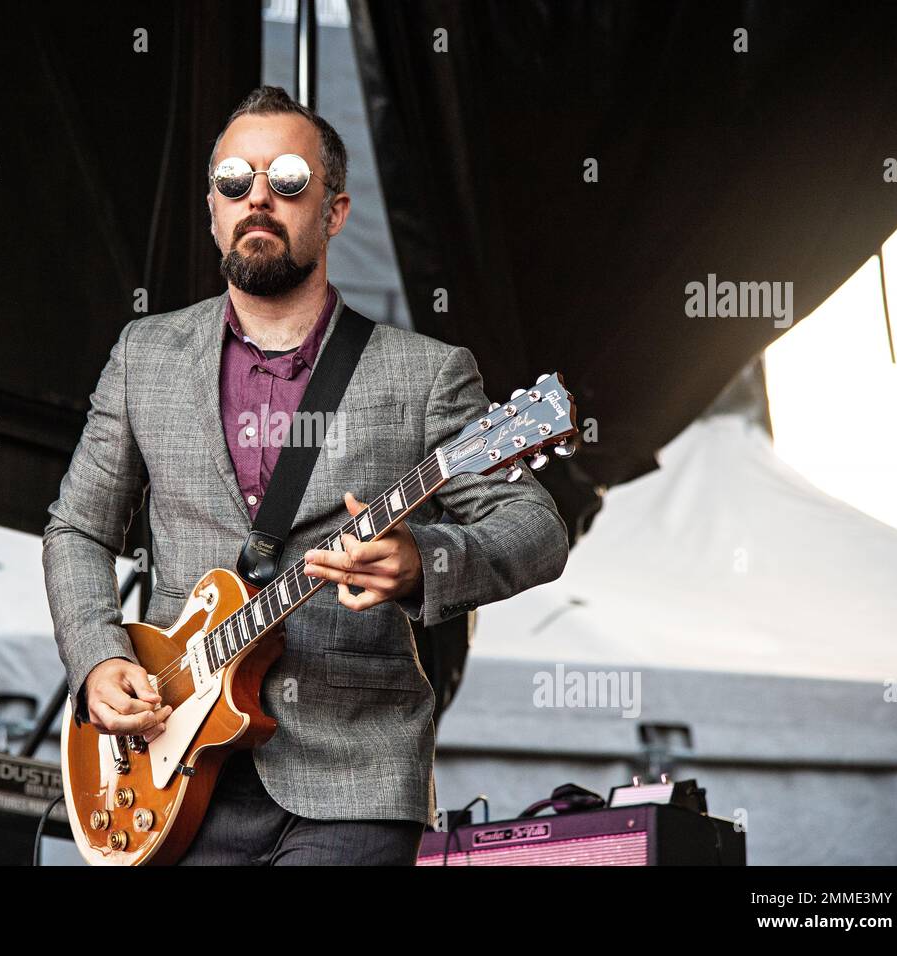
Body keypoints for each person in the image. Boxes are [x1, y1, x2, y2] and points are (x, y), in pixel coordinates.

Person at [42, 85, 569, 865]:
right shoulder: (144, 356)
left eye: (288, 180)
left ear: (335, 212)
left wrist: (424, 560)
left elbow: (536, 528)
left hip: (353, 777)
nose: (258, 198)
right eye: (234, 182)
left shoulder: (424, 373)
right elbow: (77, 530)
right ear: (213, 210)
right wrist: (99, 657)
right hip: (171, 764)